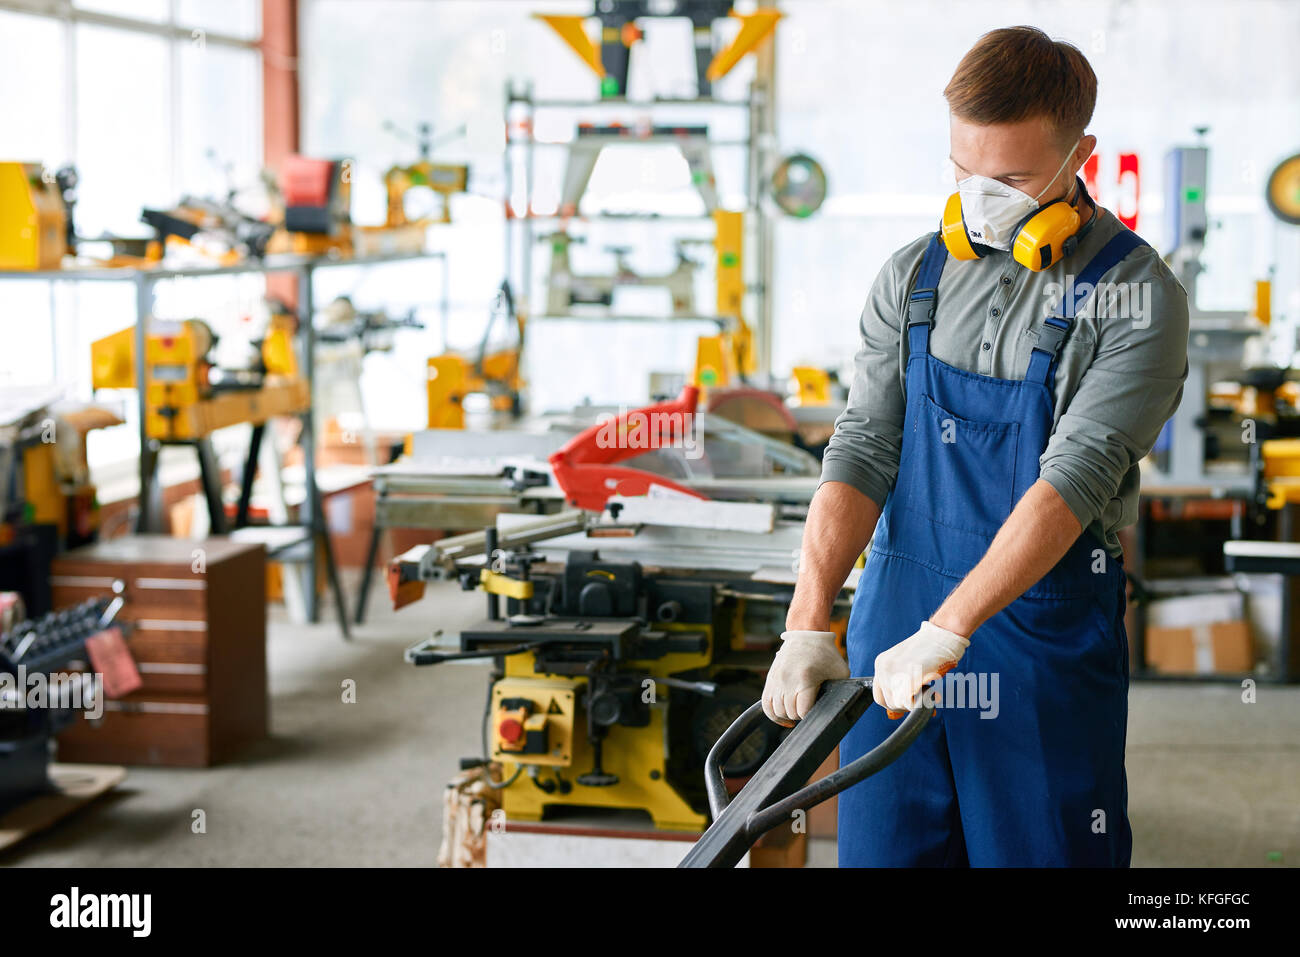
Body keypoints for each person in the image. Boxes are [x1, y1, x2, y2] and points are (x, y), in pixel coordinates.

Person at [762, 25, 1189, 866]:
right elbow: (863, 444)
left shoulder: (1137, 297)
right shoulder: (913, 275)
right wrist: (809, 618)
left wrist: (952, 627)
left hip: (1039, 641)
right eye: (964, 173)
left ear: (1080, 155)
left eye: (1015, 178)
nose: (982, 199)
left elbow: (1076, 479)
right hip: (895, 627)